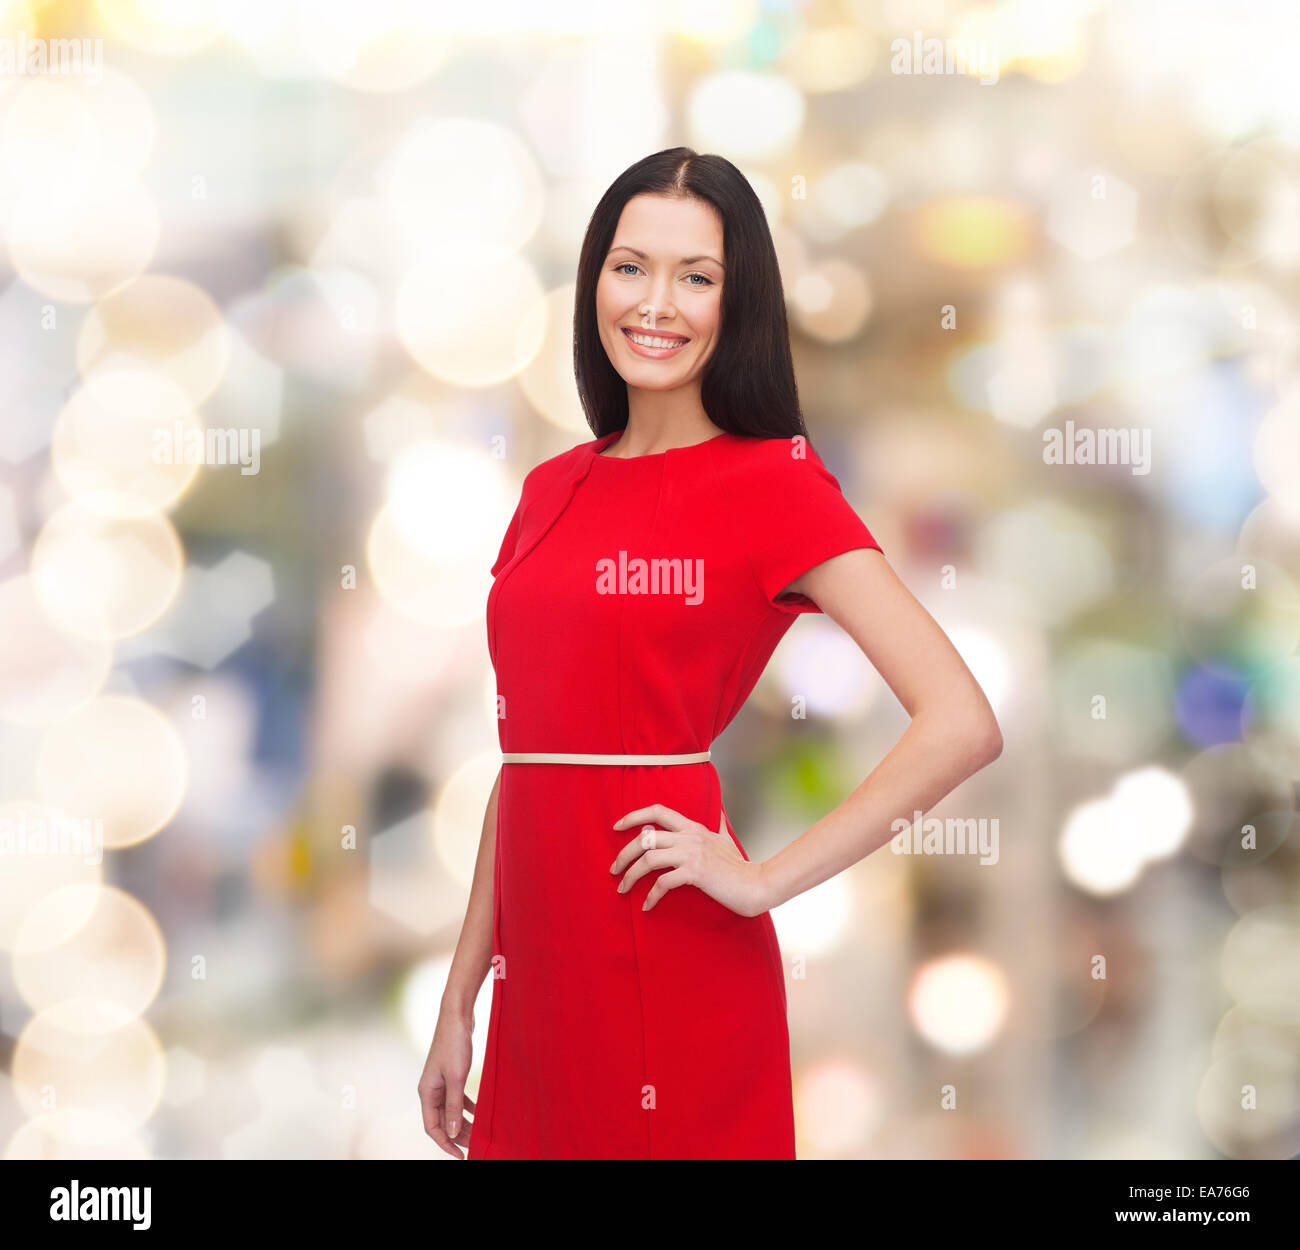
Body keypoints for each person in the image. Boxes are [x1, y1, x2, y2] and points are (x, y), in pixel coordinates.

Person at [419, 147, 1002, 1159]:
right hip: (539, 980)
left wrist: (766, 878)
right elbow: (532, 763)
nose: (657, 302)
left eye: (697, 277)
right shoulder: (549, 488)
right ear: (594, 278)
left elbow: (961, 719)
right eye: (630, 266)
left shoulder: (771, 485)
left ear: (740, 305)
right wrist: (461, 994)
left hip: (669, 948)